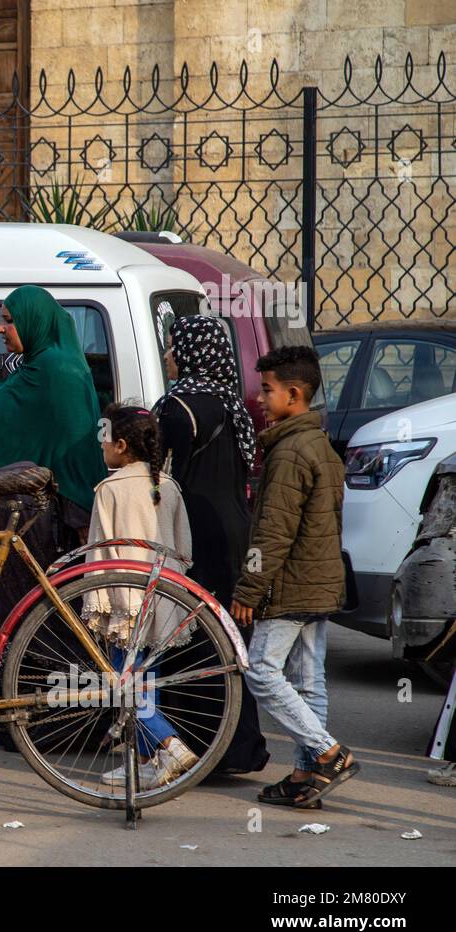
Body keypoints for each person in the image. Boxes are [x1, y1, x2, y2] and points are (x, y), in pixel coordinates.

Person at [0, 284, 108, 744]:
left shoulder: (56, 371)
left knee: (44, 620)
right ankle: (20, 718)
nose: (0, 327)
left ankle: (54, 726)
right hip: (33, 519)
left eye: (9, 320)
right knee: (21, 614)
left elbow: (66, 449)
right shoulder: (42, 366)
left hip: (46, 523)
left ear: (32, 321)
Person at [232, 346, 358, 809]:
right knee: (308, 680)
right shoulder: (318, 444)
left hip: (292, 584)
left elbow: (272, 532)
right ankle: (308, 775)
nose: (260, 398)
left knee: (261, 671)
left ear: (294, 393)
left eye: (266, 390)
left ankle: (327, 754)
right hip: (318, 582)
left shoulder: (289, 451)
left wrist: (249, 588)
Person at [155, 313, 269, 775]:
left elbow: (160, 476)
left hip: (195, 534)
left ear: (189, 353)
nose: (166, 356)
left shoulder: (177, 407)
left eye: (171, 347)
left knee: (190, 640)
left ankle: (198, 749)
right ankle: (239, 749)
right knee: (230, 643)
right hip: (236, 533)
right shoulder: (233, 405)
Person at [82, 404, 197, 788]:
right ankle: (148, 761)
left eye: (104, 439)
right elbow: (184, 549)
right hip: (165, 600)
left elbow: (99, 556)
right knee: (147, 680)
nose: (100, 447)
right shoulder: (169, 485)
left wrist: (98, 609)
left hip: (125, 603)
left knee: (124, 682)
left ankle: (169, 745)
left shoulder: (109, 489)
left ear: (121, 444)